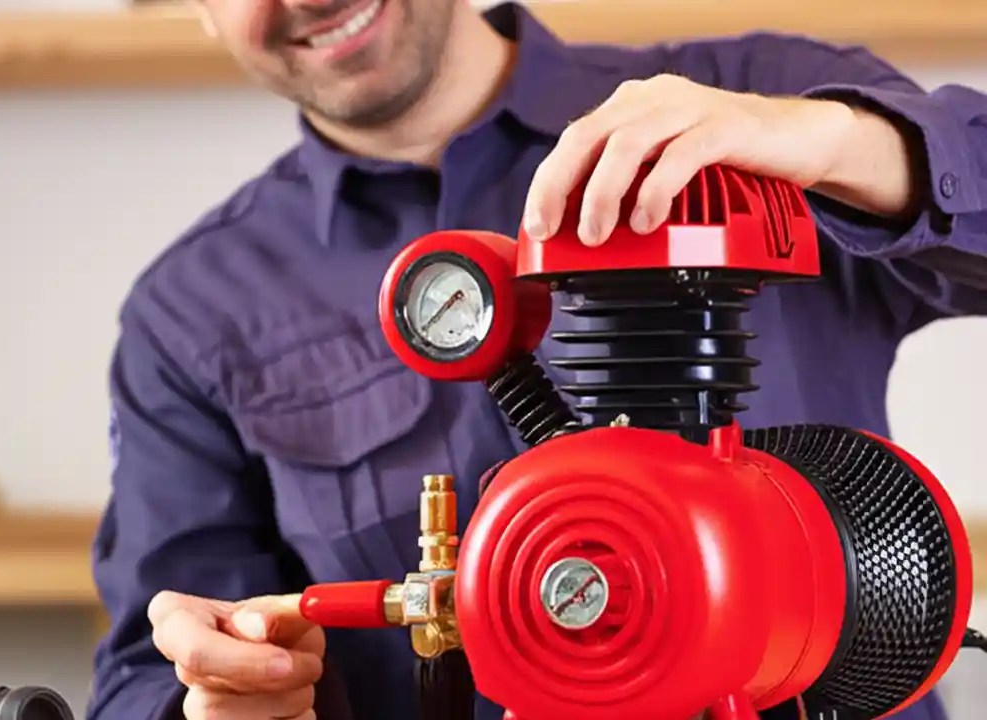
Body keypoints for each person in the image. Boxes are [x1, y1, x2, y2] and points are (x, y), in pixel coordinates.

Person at [86, 0, 987, 718]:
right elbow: (143, 672)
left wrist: (846, 147)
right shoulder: (192, 308)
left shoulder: (755, 102)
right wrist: (210, 694)